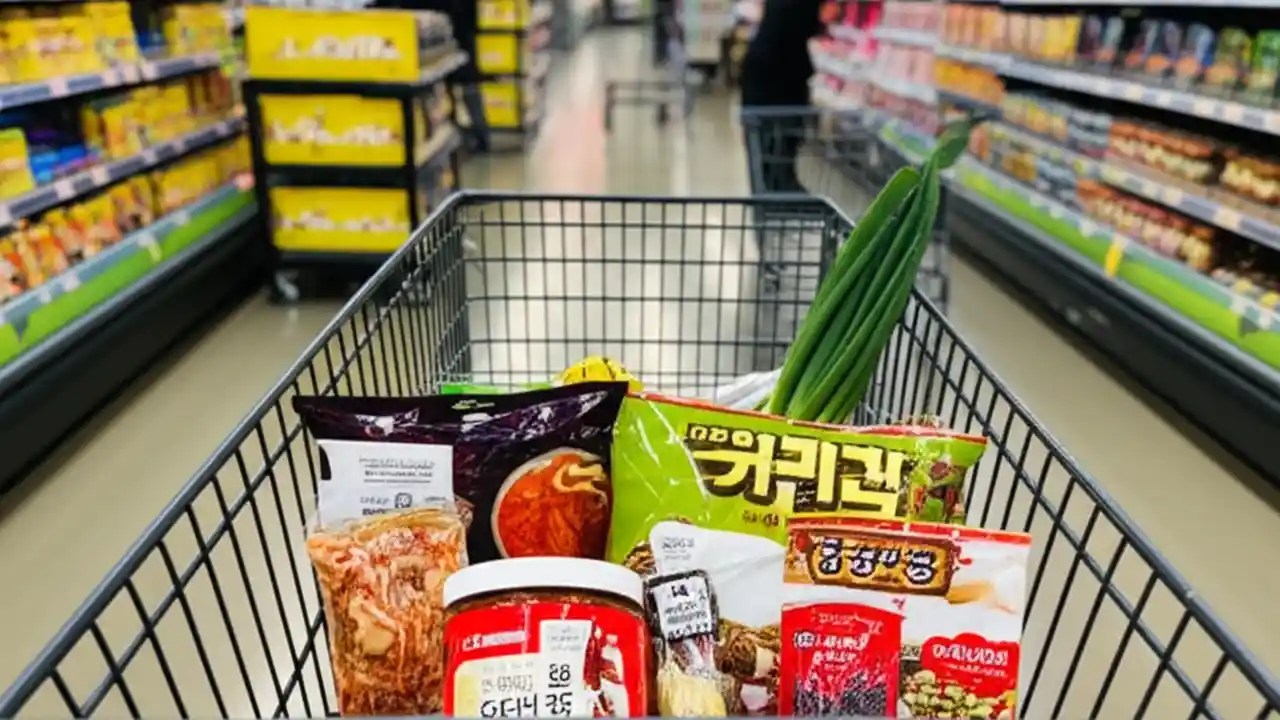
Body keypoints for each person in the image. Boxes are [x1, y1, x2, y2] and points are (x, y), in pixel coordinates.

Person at [377, 0, 491, 152]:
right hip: (440, 26)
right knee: (462, 83)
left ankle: (475, 133)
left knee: (460, 82)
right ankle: (474, 133)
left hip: (434, 27)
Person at [739, 0, 823, 192]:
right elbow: (809, 25)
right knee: (781, 145)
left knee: (766, 151)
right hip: (779, 81)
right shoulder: (793, 13)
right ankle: (778, 195)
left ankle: (771, 195)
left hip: (764, 78)